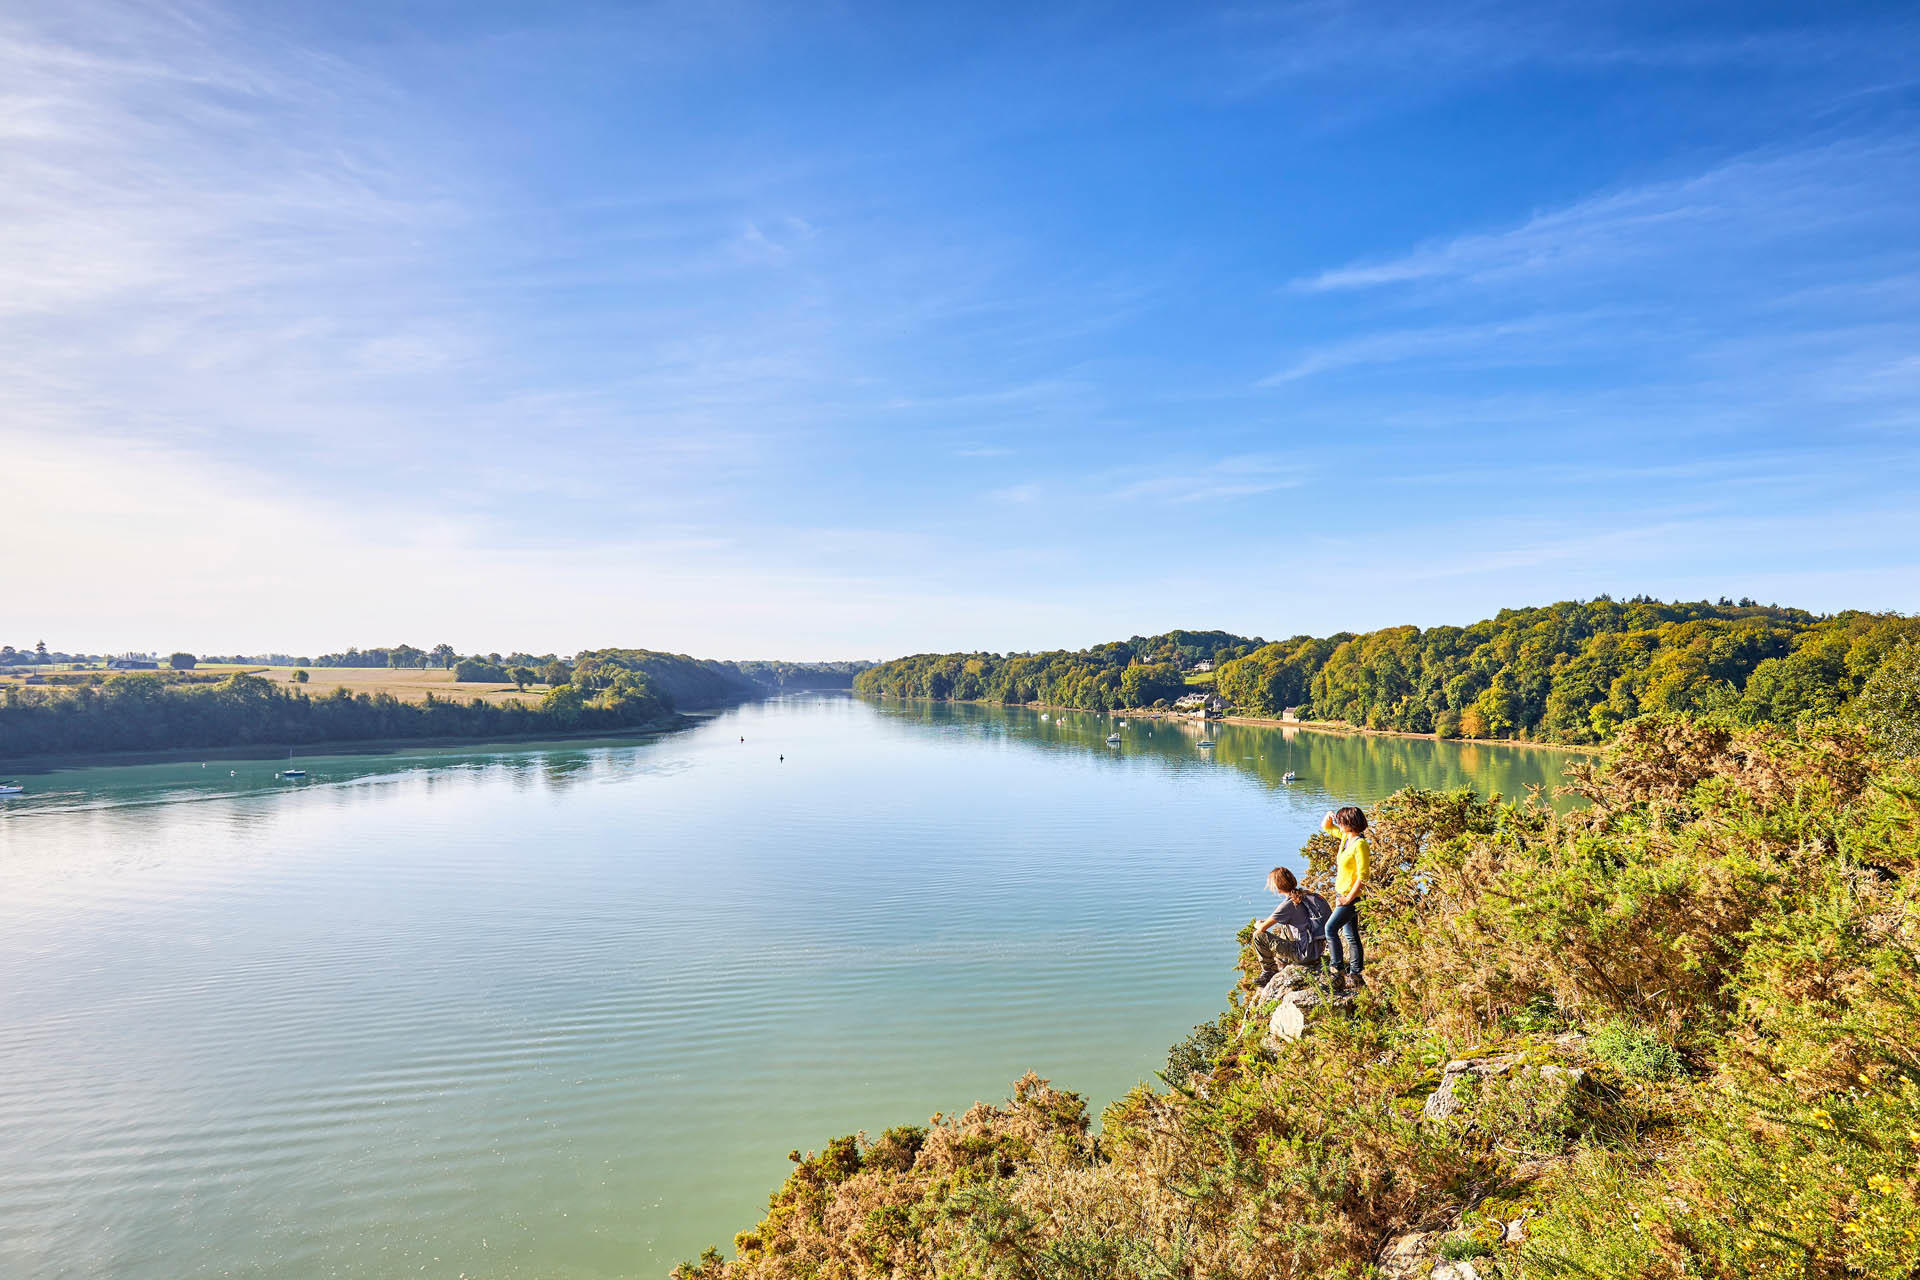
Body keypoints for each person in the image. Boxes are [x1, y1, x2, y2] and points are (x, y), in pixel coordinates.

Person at [1250, 866, 1332, 987]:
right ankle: (1284, 961)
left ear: (1278, 887)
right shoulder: (1307, 896)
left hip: (1303, 955)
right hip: (1317, 949)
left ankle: (1269, 971)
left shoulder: (1288, 905)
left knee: (1258, 935)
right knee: (1284, 925)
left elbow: (1263, 929)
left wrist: (1257, 924)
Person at [1322, 805, 1371, 989]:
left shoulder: (1360, 844)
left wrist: (1348, 898)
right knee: (1351, 934)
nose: (1338, 824)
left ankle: (1337, 971)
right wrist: (1329, 817)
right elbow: (1326, 827)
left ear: (1350, 823)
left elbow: (1363, 876)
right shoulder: (1346, 838)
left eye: (1341, 821)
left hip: (1352, 897)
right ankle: (1356, 975)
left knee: (1330, 928)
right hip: (1342, 894)